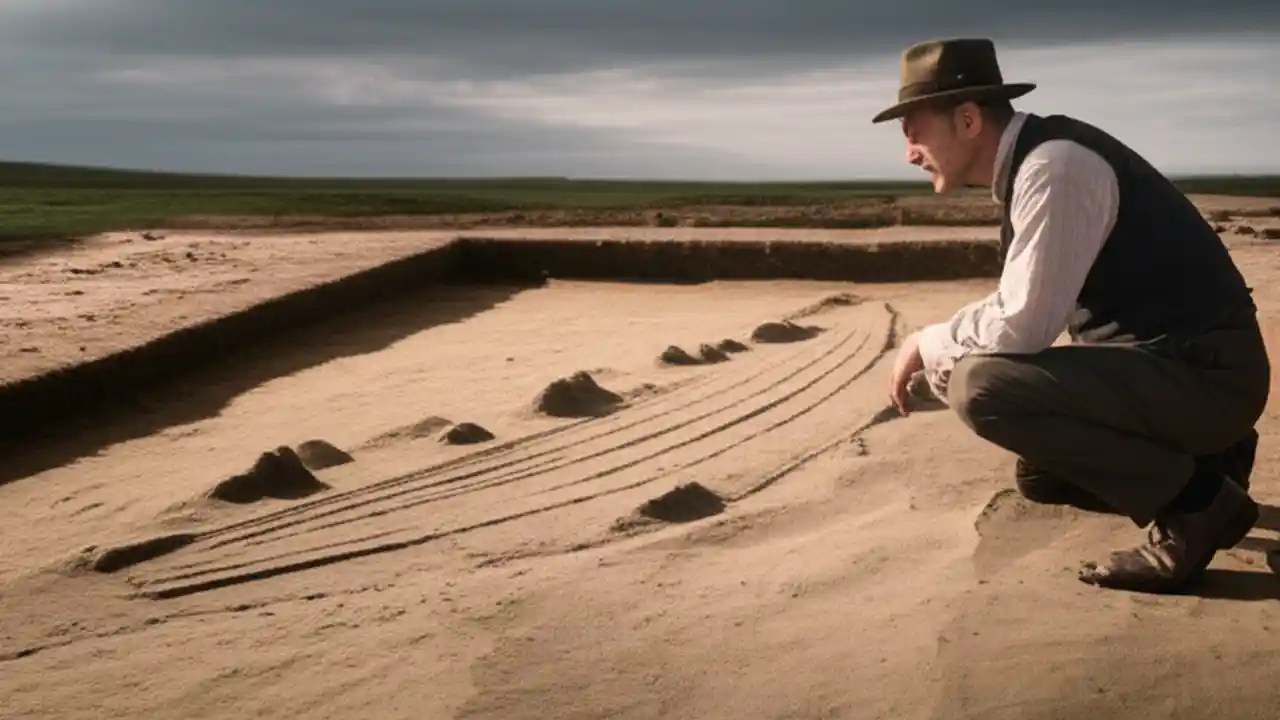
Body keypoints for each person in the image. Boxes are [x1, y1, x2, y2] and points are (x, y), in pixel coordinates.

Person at [872, 38, 1271, 592]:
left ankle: (1197, 506)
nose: (909, 152)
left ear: (967, 119)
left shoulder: (1054, 167)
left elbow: (1024, 324)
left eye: (913, 130)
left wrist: (930, 341)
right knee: (1040, 474)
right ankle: (1215, 465)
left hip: (1207, 376)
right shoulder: (1036, 164)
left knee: (980, 389)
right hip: (1183, 369)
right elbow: (1032, 315)